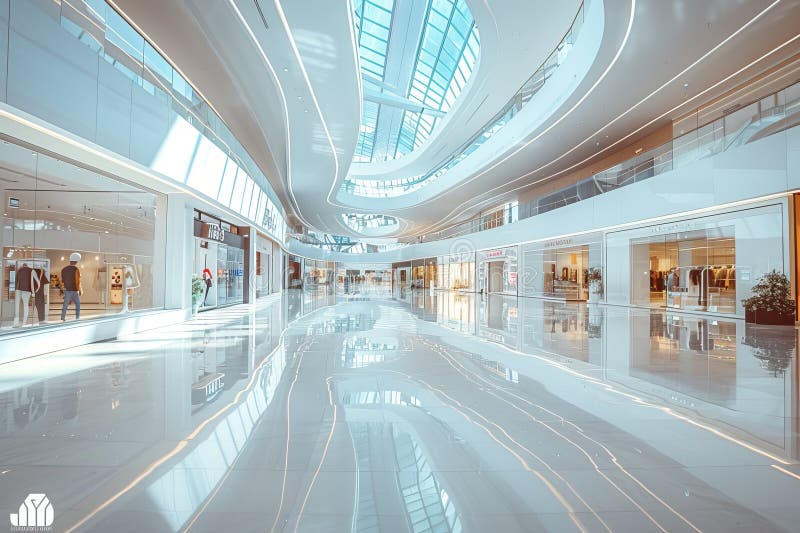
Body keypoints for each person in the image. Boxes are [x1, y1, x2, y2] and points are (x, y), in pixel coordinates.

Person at [61, 253, 82, 321]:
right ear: (76, 262)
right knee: (78, 304)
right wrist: (79, 290)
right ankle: (77, 317)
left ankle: (63, 317)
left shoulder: (64, 269)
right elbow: (77, 281)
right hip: (74, 290)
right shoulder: (76, 269)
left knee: (65, 304)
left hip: (67, 290)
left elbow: (63, 280)